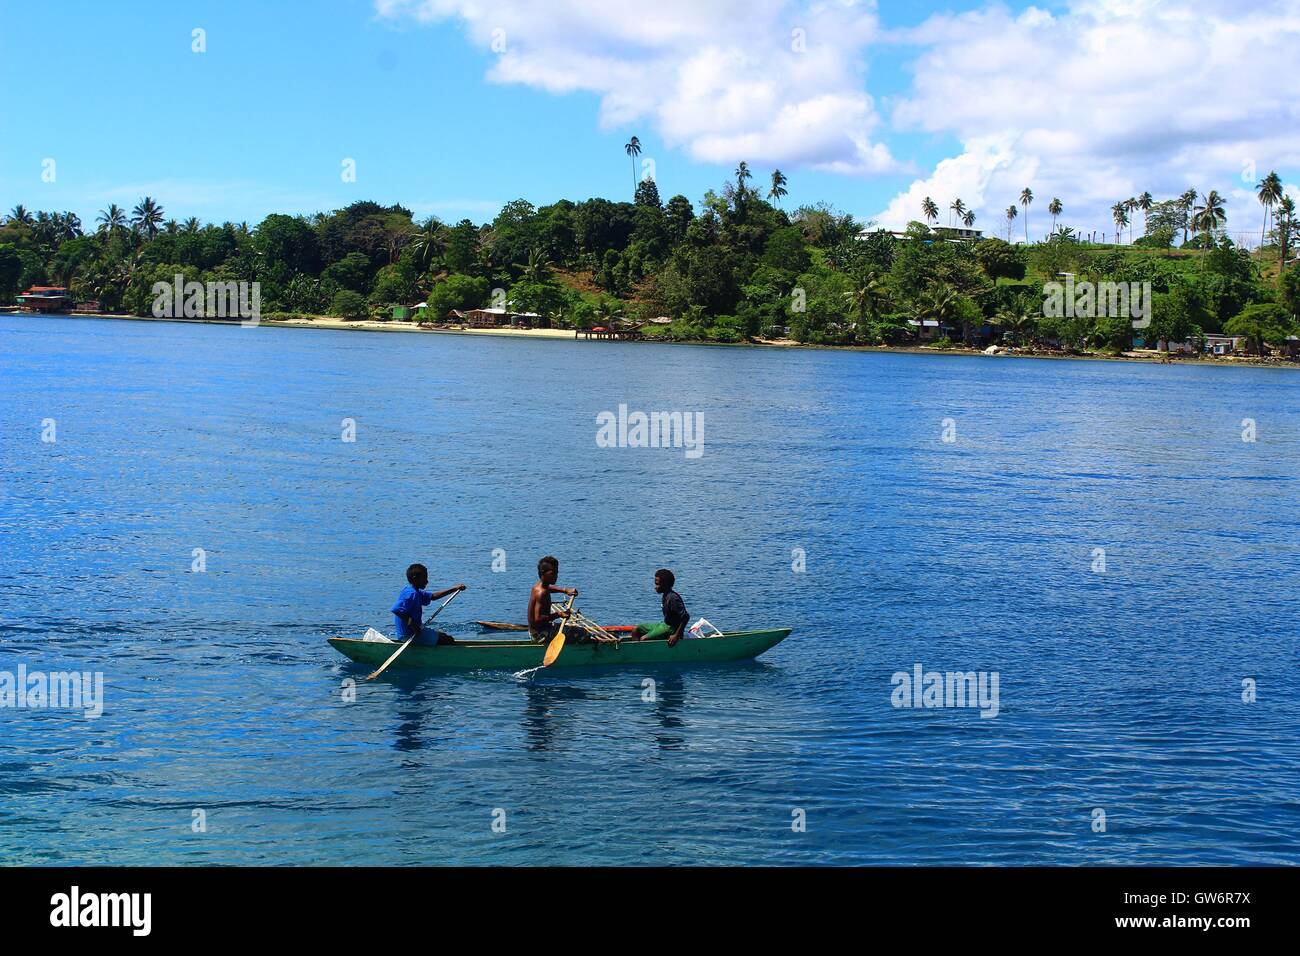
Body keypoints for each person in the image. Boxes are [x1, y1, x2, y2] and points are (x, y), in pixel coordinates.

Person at [392, 564, 465, 645]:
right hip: (409, 635)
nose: (427, 581)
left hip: (415, 632)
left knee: (443, 636)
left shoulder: (416, 592)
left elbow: (433, 596)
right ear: (415, 579)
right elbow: (396, 610)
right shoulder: (411, 594)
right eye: (424, 578)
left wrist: (455, 589)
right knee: (448, 640)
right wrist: (413, 625)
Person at [528, 555, 579, 644]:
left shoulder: (538, 587)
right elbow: (538, 619)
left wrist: (565, 590)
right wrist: (559, 614)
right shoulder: (541, 593)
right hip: (540, 635)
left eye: (557, 573)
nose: (556, 576)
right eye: (553, 573)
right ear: (543, 573)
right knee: (582, 633)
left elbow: (549, 588)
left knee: (572, 630)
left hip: (536, 631)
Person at [633, 569, 689, 647]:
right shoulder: (665, 595)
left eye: (657, 584)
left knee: (644, 639)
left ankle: (644, 655)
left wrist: (676, 635)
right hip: (664, 624)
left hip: (671, 629)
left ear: (665, 585)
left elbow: (686, 617)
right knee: (636, 629)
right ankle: (635, 651)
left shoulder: (673, 598)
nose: (655, 587)